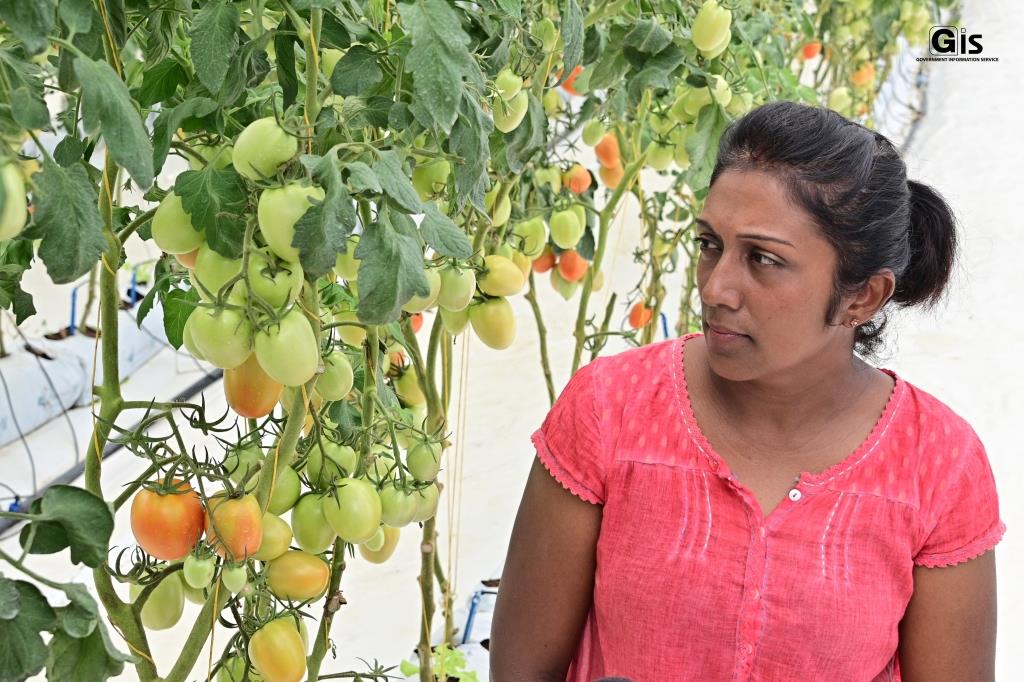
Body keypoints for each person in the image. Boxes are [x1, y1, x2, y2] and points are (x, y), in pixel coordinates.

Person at [489, 101, 1006, 681]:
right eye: (711, 244)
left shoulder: (938, 466)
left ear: (862, 297)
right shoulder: (610, 412)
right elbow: (521, 670)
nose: (716, 288)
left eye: (763, 259)